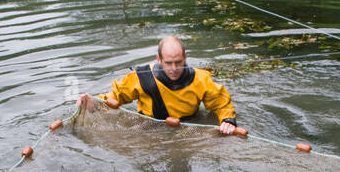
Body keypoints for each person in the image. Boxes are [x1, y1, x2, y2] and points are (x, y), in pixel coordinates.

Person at [77, 36, 241, 132]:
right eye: (168, 63)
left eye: (178, 62)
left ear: (185, 57)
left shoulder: (201, 79)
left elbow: (221, 103)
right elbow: (114, 97)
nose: (174, 68)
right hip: (148, 127)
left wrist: (228, 121)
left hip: (187, 127)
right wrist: (91, 102)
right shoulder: (141, 77)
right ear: (159, 59)